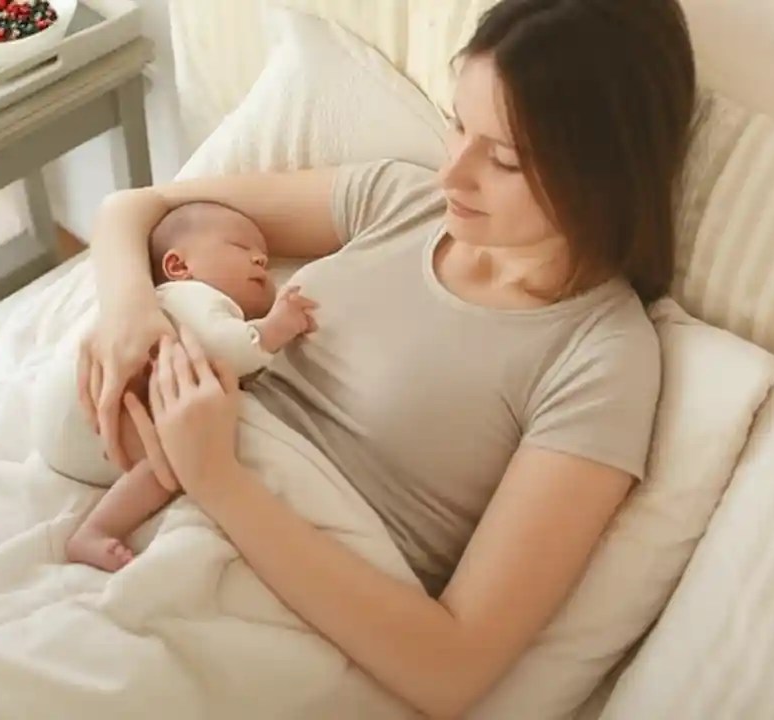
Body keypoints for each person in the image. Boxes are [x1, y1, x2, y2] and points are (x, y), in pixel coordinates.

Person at [79, 0, 696, 715]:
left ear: (606, 173)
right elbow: (136, 207)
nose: (452, 175)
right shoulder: (398, 200)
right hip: (155, 512)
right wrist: (130, 305)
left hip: (270, 596)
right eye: (458, 123)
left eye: (502, 159)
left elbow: (451, 669)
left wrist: (215, 477)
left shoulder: (602, 359)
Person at [30, 201, 318, 570]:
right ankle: (96, 530)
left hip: (62, 412)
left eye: (263, 256)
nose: (261, 261)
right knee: (176, 458)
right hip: (89, 410)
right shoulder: (193, 297)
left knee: (177, 443)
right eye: (240, 248)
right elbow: (224, 348)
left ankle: (95, 531)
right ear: (179, 266)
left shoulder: (176, 305)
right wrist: (274, 328)